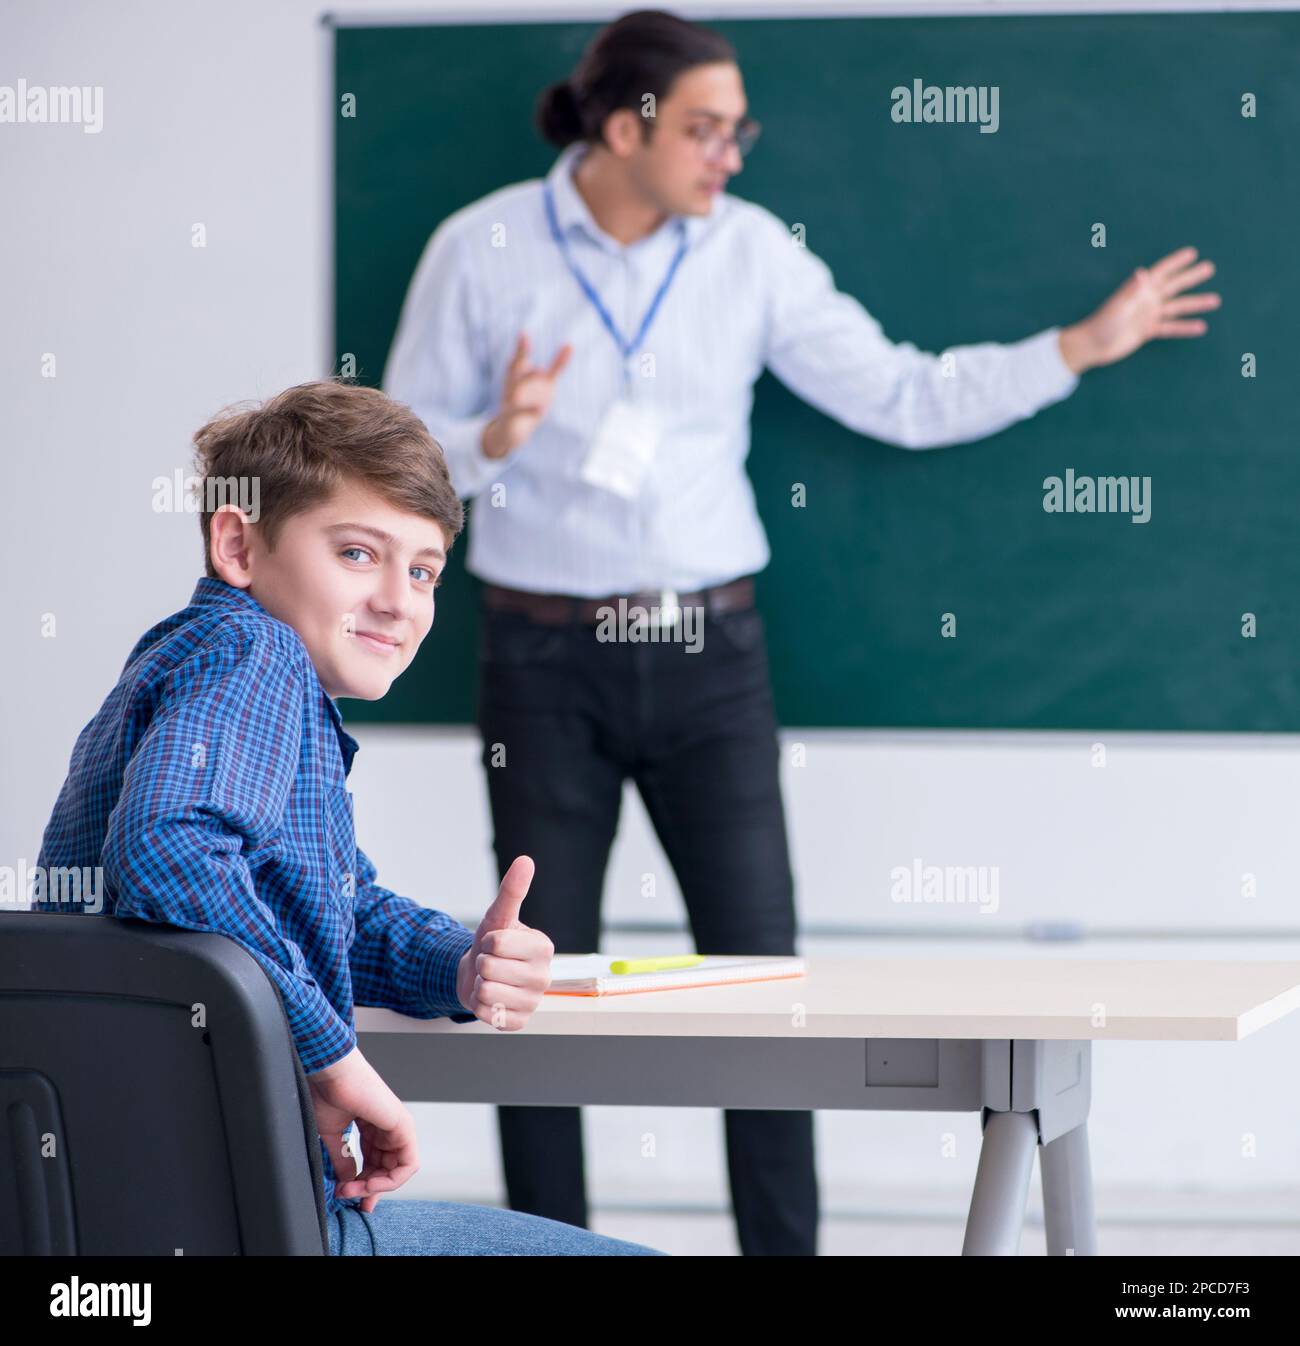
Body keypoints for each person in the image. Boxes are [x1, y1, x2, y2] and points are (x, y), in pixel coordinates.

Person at [383, 9, 1220, 1256]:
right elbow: (389, 457)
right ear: (626, 128)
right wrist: (486, 443)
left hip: (712, 658)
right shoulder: (481, 244)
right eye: (709, 129)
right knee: (533, 985)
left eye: (740, 129)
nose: (732, 155)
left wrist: (1076, 350)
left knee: (763, 988)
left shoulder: (751, 253)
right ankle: (543, 1248)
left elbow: (900, 392)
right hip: (540, 656)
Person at [32, 380, 663, 1256]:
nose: (401, 601)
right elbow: (166, 850)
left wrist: (461, 963)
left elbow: (332, 904)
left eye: (423, 570)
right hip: (243, 1220)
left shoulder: (203, 667)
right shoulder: (255, 654)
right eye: (359, 553)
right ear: (237, 545)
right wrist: (334, 1056)